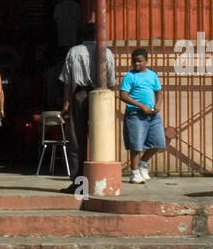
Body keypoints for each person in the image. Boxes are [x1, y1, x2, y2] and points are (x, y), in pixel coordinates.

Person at [59, 22, 116, 188]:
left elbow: (68, 82)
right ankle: (100, 181)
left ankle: (79, 183)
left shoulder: (74, 51)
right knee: (101, 138)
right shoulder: (107, 53)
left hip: (80, 96)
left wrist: (66, 103)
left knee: (77, 139)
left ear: (81, 36)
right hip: (101, 96)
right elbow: (112, 82)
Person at [119, 47, 166, 183]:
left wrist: (158, 104)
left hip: (152, 115)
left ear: (146, 61)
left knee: (158, 142)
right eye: (134, 62)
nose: (136, 64)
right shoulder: (129, 76)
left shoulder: (152, 75)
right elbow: (123, 95)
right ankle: (134, 173)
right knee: (136, 145)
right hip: (135, 114)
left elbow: (159, 91)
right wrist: (141, 106)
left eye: (139, 61)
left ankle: (143, 163)